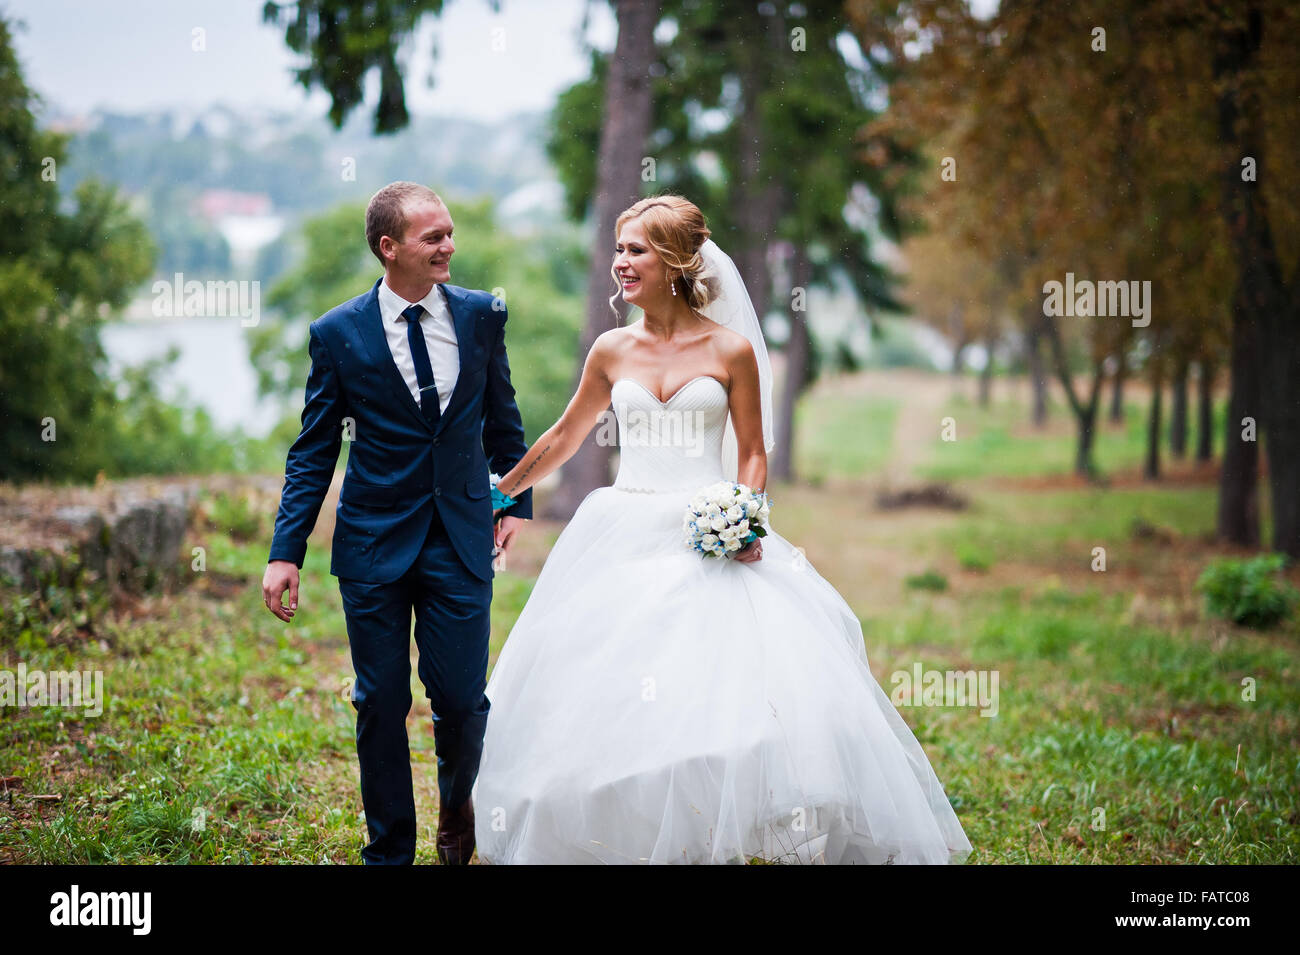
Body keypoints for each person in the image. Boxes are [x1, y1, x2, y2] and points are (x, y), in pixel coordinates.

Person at [472, 194, 971, 864]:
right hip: (620, 530)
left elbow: (755, 449)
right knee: (610, 691)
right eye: (618, 249)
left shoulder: (731, 349)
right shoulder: (611, 349)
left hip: (706, 533)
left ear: (675, 259)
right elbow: (565, 435)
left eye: (636, 250)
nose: (620, 263)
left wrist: (744, 514)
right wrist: (500, 492)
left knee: (716, 693)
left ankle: (707, 829)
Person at [261, 182, 532, 865]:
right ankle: (389, 849)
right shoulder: (337, 333)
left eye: (449, 233)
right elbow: (315, 448)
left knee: (463, 700)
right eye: (432, 236)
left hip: (461, 536)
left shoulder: (480, 316)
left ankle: (458, 819)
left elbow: (503, 418)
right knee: (380, 700)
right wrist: (284, 550)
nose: (449, 246)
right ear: (390, 248)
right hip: (374, 542)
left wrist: (513, 502)